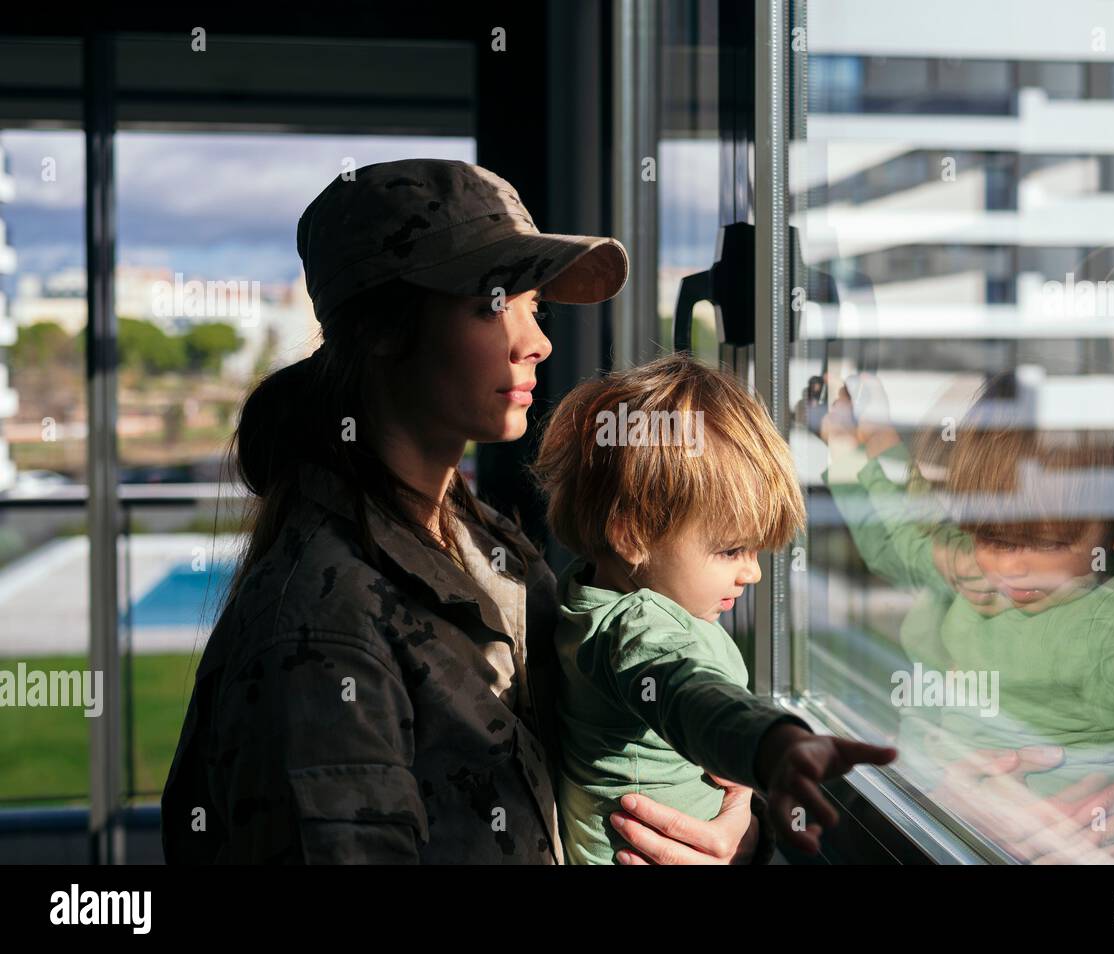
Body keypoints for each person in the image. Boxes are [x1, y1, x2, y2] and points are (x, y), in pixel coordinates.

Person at [160, 158, 774, 864]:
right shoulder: (320, 631)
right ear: (384, 329)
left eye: (534, 306)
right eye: (494, 303)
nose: (536, 342)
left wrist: (730, 835)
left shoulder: (486, 545)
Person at [530, 354, 897, 863]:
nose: (752, 573)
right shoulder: (637, 628)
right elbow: (689, 692)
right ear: (632, 533)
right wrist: (773, 747)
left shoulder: (585, 598)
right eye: (730, 550)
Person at [819, 371, 1114, 863]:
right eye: (993, 538)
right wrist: (848, 447)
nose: (1011, 565)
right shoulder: (973, 573)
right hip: (943, 833)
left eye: (1047, 544)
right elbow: (897, 536)